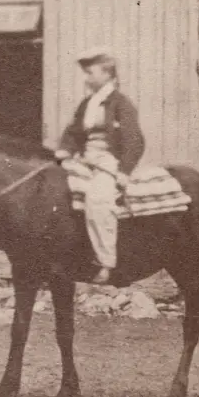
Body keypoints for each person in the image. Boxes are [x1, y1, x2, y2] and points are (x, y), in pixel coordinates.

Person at [56, 47, 145, 285]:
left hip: (108, 161)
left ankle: (106, 263)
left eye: (90, 73)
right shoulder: (88, 103)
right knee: (53, 192)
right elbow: (73, 131)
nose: (86, 78)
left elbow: (134, 140)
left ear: (107, 74)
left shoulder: (120, 103)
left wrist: (124, 171)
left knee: (97, 201)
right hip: (84, 159)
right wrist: (64, 151)